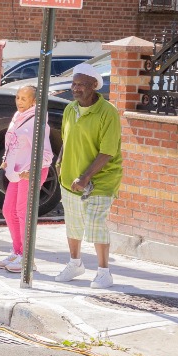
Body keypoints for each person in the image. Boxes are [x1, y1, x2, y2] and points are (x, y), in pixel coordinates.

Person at [55, 62, 123, 289]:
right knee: (73, 224)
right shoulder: (70, 109)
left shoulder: (108, 112)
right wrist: (60, 161)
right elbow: (66, 139)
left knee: (95, 223)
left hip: (101, 179)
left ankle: (104, 272)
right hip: (71, 178)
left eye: (81, 85)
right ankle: (75, 263)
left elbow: (107, 151)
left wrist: (85, 177)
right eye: (74, 84)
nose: (76, 89)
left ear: (94, 86)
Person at [0, 83, 53, 274]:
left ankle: (28, 259)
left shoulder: (38, 122)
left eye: (24, 98)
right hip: (16, 172)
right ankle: (18, 251)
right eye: (17, 97)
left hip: (31, 172)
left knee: (22, 212)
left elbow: (47, 154)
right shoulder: (18, 117)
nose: (19, 102)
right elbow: (12, 145)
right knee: (8, 210)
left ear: (34, 101)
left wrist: (34, 171)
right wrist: (4, 164)